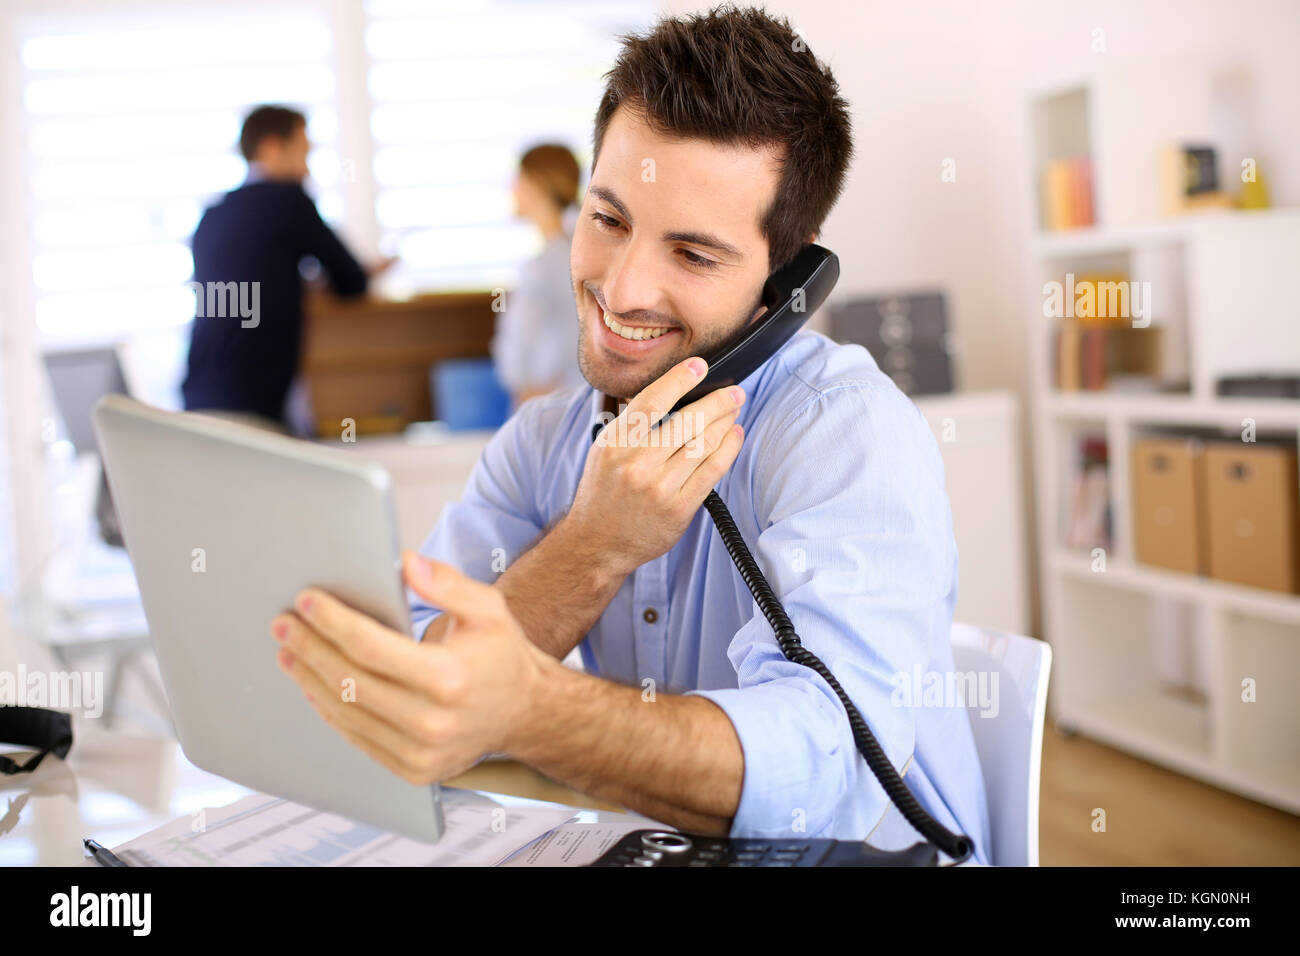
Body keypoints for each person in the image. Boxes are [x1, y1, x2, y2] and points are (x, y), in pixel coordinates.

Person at [270, 6, 992, 863]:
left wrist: (533, 712)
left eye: (693, 254)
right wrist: (594, 545)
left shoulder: (846, 432)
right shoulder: (542, 440)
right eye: (609, 219)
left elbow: (829, 769)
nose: (621, 289)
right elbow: (418, 685)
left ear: (787, 280)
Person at [181, 105, 392, 432]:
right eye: (303, 153)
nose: (307, 170)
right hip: (254, 403)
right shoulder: (289, 201)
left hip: (199, 398)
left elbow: (243, 283)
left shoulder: (212, 216)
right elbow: (351, 282)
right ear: (271, 148)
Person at [490, 143, 587, 407]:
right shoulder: (554, 255)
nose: (512, 188)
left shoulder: (556, 262)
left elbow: (575, 336)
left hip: (553, 400)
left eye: (519, 179)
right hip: (548, 399)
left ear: (537, 184)